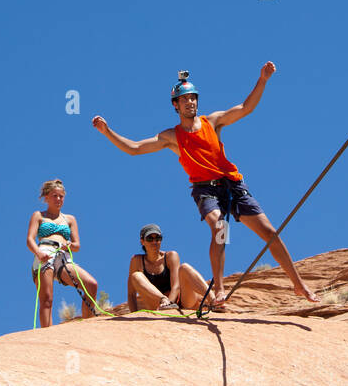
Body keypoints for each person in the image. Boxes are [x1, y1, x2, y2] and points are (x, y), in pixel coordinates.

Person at [93, 63, 318, 311]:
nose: (190, 102)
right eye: (184, 99)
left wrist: (262, 79)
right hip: (206, 190)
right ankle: (219, 288)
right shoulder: (172, 136)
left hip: (232, 184)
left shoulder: (213, 122)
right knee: (220, 227)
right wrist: (107, 132)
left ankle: (298, 284)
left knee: (270, 232)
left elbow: (245, 108)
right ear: (175, 105)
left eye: (193, 98)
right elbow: (134, 148)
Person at [26, 179, 99, 325]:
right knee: (47, 299)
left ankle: (87, 324)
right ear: (46, 197)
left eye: (61, 196)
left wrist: (70, 245)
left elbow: (77, 245)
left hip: (64, 255)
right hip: (45, 252)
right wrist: (39, 254)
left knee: (91, 284)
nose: (58, 199)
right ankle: (46, 335)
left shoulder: (70, 219)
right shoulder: (39, 215)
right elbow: (29, 239)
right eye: (54, 195)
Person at [127, 223, 211, 313]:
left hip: (182, 301)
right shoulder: (137, 260)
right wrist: (133, 314)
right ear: (142, 241)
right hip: (158, 305)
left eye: (157, 238)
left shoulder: (170, 256)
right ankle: (163, 299)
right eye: (150, 239)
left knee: (185, 267)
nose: (154, 242)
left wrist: (169, 305)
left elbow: (176, 285)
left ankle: (214, 301)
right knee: (136, 275)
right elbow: (131, 294)